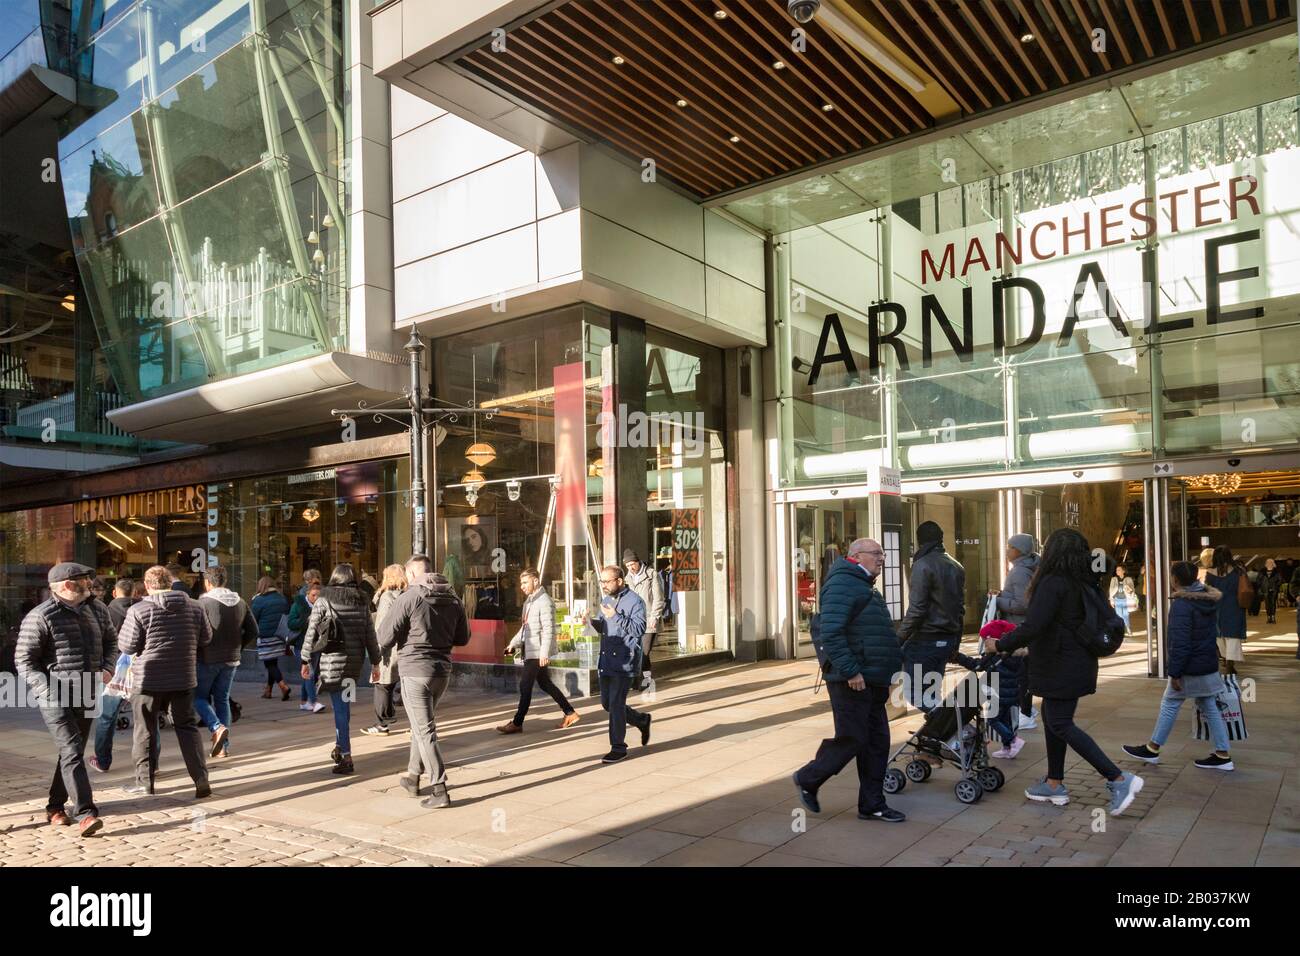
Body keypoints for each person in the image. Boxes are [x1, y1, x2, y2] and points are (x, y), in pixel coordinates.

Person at [984, 528, 1143, 816]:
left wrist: (1000, 644)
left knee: (1060, 722)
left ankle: (1119, 779)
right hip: (1077, 662)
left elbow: (1034, 626)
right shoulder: (1084, 581)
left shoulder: (1053, 582)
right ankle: (1054, 783)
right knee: (1053, 719)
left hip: (1060, 664)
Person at [793, 538, 905, 823]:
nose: (882, 558)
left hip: (871, 679)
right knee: (853, 738)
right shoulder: (843, 583)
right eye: (876, 553)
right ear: (856, 556)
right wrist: (851, 670)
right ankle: (808, 777)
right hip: (852, 679)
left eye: (883, 553)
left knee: (877, 742)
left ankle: (872, 804)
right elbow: (831, 633)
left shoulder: (862, 584)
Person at [15, 562, 116, 837]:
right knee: (72, 750)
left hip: (87, 690)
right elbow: (24, 661)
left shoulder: (98, 609)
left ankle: (54, 806)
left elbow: (111, 641)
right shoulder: (41, 616)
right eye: (85, 579)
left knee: (72, 753)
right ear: (68, 585)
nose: (90, 583)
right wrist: (46, 690)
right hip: (54, 694)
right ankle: (85, 813)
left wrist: (108, 667)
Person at [1122, 562, 1234, 772]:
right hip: (1206, 663)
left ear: (1176, 579)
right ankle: (1222, 754)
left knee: (1170, 702)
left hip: (1191, 667)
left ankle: (1153, 748)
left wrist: (1174, 672)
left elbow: (1181, 642)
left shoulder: (1183, 605)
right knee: (1209, 705)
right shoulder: (1206, 601)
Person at [378, 556, 470, 809]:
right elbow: (463, 638)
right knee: (421, 727)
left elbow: (384, 636)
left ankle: (439, 789)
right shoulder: (453, 598)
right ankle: (412, 776)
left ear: (411, 573)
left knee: (425, 731)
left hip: (415, 670)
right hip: (442, 671)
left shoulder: (410, 597)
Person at [117, 565, 212, 799]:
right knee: (187, 727)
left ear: (147, 586)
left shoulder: (139, 610)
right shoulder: (195, 606)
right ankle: (201, 780)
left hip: (148, 678)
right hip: (183, 675)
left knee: (145, 730)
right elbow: (206, 638)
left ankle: (145, 783)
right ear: (171, 582)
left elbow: (127, 646)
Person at [300, 563, 381, 776]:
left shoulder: (324, 599)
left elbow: (311, 632)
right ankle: (340, 746)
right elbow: (370, 635)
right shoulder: (361, 600)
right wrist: (375, 662)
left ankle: (346, 754)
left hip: (332, 664)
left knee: (340, 709)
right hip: (354, 666)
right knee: (344, 708)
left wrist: (305, 659)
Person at [498, 568, 579, 734]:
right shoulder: (529, 601)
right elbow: (525, 627)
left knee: (525, 685)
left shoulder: (545, 601)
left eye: (525, 582)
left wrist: (543, 654)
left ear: (535, 581)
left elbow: (549, 630)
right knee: (545, 683)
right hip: (530, 649)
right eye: (521, 583)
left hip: (537, 652)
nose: (522, 586)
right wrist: (513, 644)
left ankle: (517, 722)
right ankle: (570, 712)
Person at [897, 521, 965, 716]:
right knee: (931, 693)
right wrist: (956, 643)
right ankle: (945, 735)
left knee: (916, 694)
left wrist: (899, 638)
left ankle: (957, 729)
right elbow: (960, 609)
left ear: (919, 540)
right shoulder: (955, 565)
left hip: (926, 639)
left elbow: (917, 609)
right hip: (947, 639)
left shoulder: (923, 565)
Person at [589, 565, 651, 764]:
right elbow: (605, 626)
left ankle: (618, 747)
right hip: (607, 660)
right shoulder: (606, 599)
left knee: (615, 704)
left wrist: (615, 615)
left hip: (625, 661)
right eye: (602, 581)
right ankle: (641, 720)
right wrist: (589, 622)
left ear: (619, 581)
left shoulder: (635, 601)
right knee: (608, 704)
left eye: (607, 581)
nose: (604, 585)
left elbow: (639, 629)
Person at [196, 566, 258, 759]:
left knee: (197, 697)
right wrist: (238, 647)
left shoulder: (202, 603)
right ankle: (223, 747)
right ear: (225, 581)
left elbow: (196, 631)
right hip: (232, 659)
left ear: (207, 582)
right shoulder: (240, 601)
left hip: (207, 658)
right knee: (222, 699)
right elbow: (253, 630)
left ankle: (216, 727)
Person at [995, 533, 1039, 730]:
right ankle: (1025, 711)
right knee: (1024, 673)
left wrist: (998, 601)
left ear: (1018, 550)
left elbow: (1023, 604)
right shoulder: (1027, 568)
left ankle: (1025, 713)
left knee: (1021, 675)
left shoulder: (1020, 572)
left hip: (1017, 627)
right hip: (1023, 628)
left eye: (1009, 546)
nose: (1006, 550)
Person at [362, 564, 407, 736]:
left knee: (381, 685)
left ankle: (382, 724)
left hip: (389, 649)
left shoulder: (387, 597)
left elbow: (382, 626)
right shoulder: (407, 595)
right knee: (399, 684)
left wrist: (378, 652)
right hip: (404, 648)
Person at [623, 549, 665, 684]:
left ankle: (646, 681)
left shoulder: (651, 574)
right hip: (633, 621)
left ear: (638, 562)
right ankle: (637, 680)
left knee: (645, 652)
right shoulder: (627, 579)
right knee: (635, 651)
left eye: (632, 565)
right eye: (627, 566)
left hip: (649, 620)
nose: (631, 568)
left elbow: (659, 598)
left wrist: (655, 617)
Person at [1205, 546, 1247, 674]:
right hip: (1234, 606)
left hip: (1216, 607)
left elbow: (1207, 591)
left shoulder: (1210, 573)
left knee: (1219, 635)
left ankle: (1226, 659)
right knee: (1233, 636)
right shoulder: (1238, 571)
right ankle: (1230, 663)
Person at [250, 576, 292, 700]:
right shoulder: (282, 599)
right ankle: (268, 690)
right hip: (280, 635)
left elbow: (253, 618)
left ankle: (283, 686)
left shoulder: (258, 600)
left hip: (266, 636)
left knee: (270, 664)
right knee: (272, 662)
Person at [289, 570, 324, 711]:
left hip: (316, 645)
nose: (316, 598)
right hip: (301, 644)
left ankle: (304, 702)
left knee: (311, 673)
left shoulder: (322, 606)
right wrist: (306, 621)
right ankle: (314, 702)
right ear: (307, 594)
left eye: (318, 595)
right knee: (309, 672)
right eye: (313, 595)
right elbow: (291, 623)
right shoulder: (299, 604)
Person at [1109, 564, 1137, 634]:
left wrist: (1128, 588)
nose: (1117, 571)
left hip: (1126, 600)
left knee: (1126, 615)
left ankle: (1128, 627)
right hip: (1117, 600)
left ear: (1123, 571)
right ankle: (1122, 630)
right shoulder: (1114, 579)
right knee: (1119, 616)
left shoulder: (1128, 579)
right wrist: (1111, 600)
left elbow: (1132, 590)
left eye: (1119, 570)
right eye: (1116, 570)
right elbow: (1111, 590)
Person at [1260, 558, 1282, 625]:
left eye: (1271, 562)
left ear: (1273, 563)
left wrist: (1276, 585)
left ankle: (1273, 617)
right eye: (1268, 562)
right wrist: (1262, 586)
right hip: (1265, 590)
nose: (1269, 563)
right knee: (1267, 604)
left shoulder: (1277, 571)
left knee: (1273, 604)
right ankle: (1268, 617)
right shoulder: (1262, 571)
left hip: (1274, 589)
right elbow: (1259, 579)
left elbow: (1280, 580)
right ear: (1266, 563)